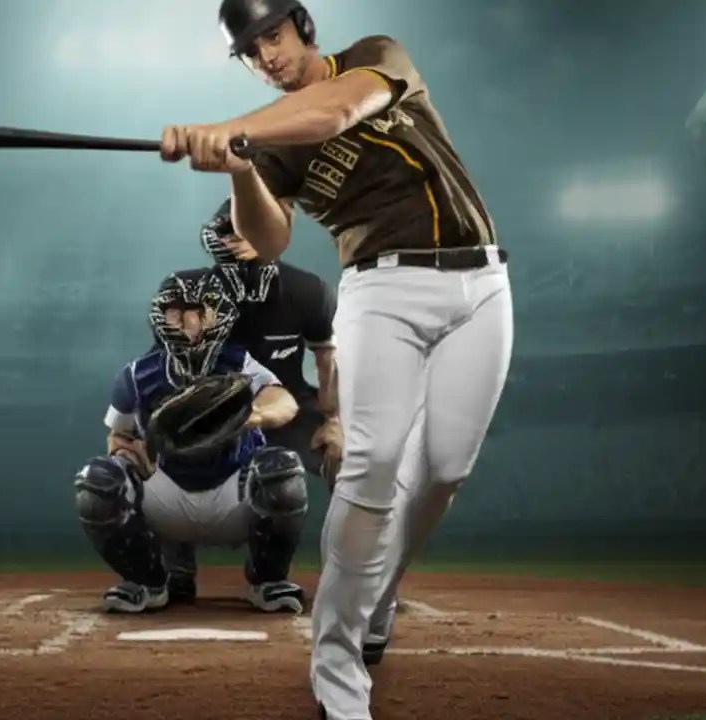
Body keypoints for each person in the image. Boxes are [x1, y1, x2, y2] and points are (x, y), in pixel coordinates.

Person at [158, 2, 515, 717]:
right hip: (382, 290)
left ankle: (378, 601)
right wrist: (237, 168)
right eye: (252, 52)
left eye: (273, 37)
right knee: (375, 462)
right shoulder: (272, 140)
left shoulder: (375, 57)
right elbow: (271, 238)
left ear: (302, 27)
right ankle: (338, 667)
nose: (267, 57)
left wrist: (234, 128)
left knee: (446, 467)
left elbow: (337, 110)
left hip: (483, 285)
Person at [74, 268, 310, 614]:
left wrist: (244, 416)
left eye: (198, 310)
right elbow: (118, 433)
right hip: (168, 492)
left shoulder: (238, 363)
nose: (186, 320)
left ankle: (267, 579)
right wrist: (128, 453)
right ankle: (150, 581)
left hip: (234, 491)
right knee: (97, 482)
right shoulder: (138, 375)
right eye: (175, 311)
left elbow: (284, 402)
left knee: (283, 472)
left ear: (218, 316)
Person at [162, 199, 343, 604]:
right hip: (209, 408)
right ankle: (174, 571)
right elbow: (166, 365)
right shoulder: (186, 289)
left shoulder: (308, 290)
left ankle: (350, 575)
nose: (239, 242)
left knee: (350, 458)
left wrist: (335, 420)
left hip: (290, 406)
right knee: (160, 436)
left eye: (249, 230)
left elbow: (328, 361)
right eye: (230, 231)